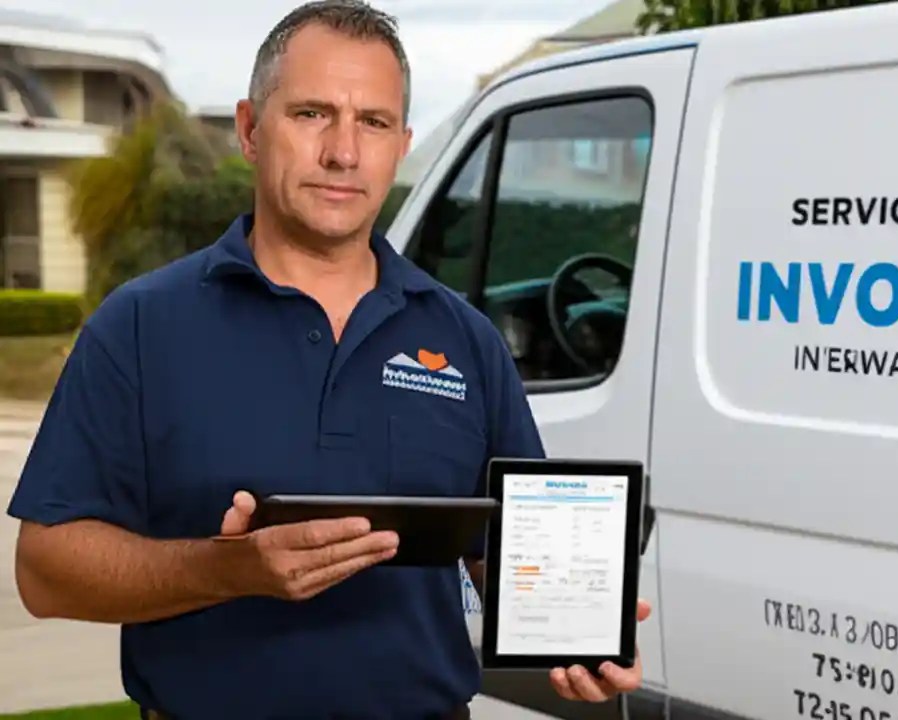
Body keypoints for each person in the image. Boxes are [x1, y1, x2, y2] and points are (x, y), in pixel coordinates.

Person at [5, 1, 649, 718]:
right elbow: (45, 571)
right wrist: (227, 570)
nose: (344, 152)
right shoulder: (140, 325)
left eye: (373, 122)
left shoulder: (466, 339)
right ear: (251, 129)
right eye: (313, 113)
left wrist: (573, 625)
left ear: (401, 143)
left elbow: (502, 552)